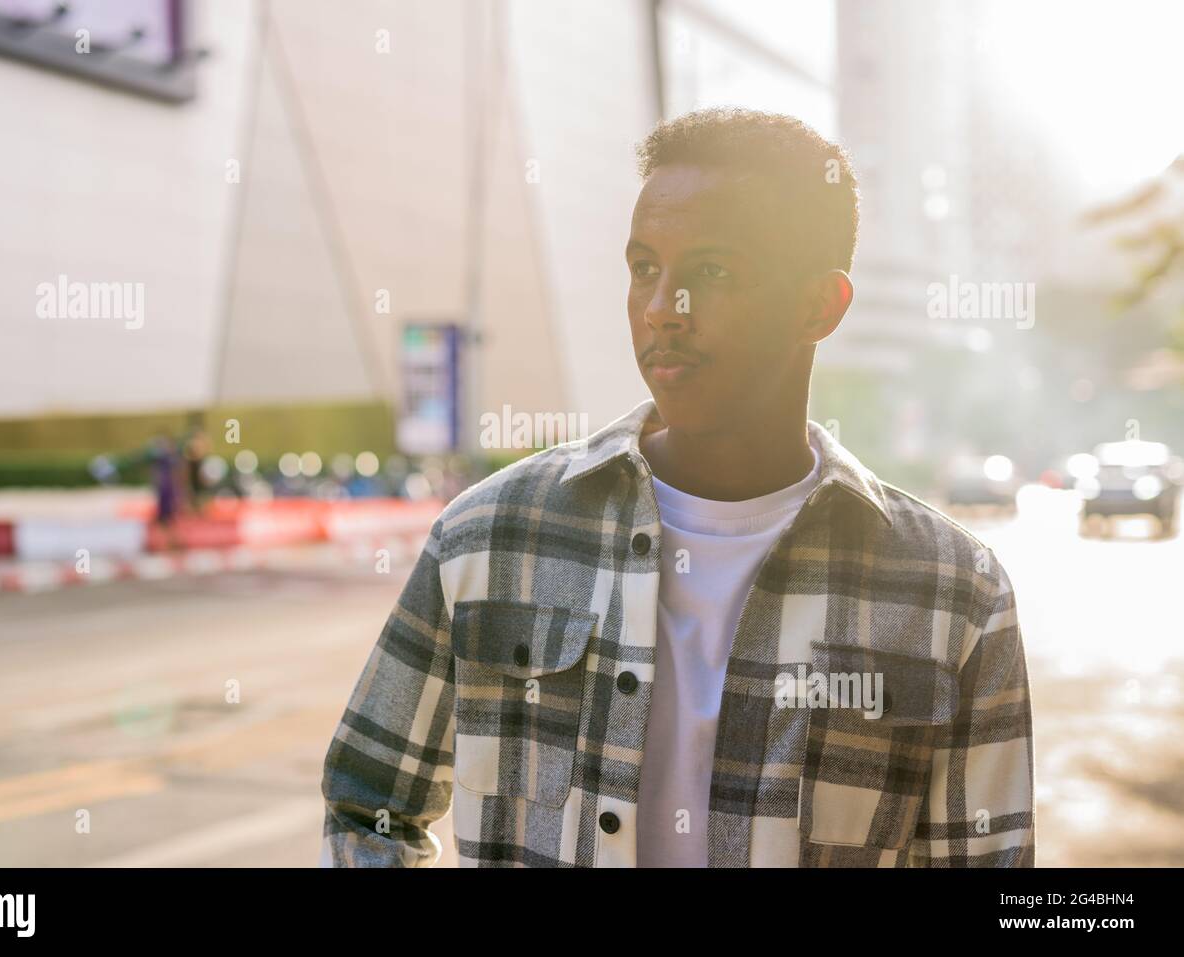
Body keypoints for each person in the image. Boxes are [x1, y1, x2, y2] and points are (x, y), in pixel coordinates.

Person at [320, 108, 1035, 868]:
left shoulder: (956, 594)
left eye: (712, 272)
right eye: (644, 268)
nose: (663, 308)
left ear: (818, 305)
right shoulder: (490, 536)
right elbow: (368, 804)